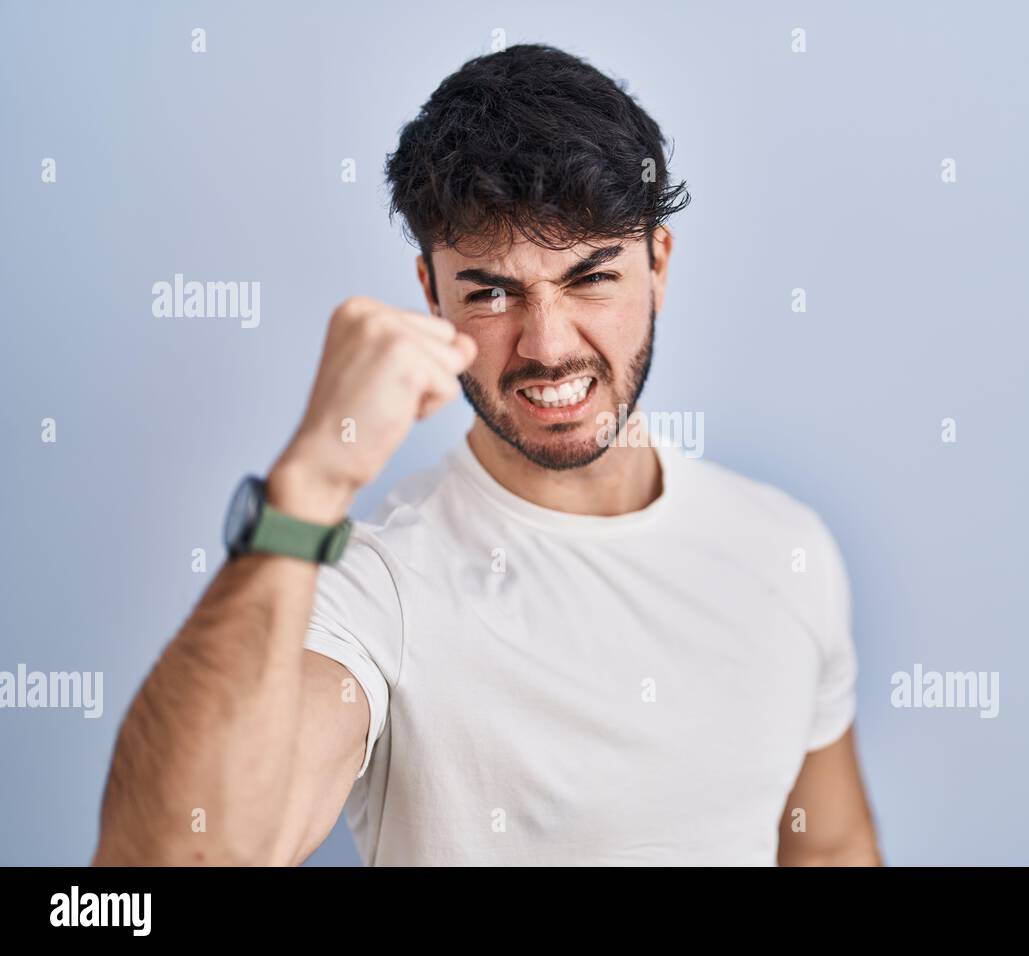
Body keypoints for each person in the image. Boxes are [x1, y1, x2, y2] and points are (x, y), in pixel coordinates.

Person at [93, 43, 882, 866]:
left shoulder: (786, 548)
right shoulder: (378, 590)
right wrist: (308, 483)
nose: (546, 346)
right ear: (431, 295)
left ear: (658, 264)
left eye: (590, 278)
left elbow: (828, 847)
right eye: (491, 293)